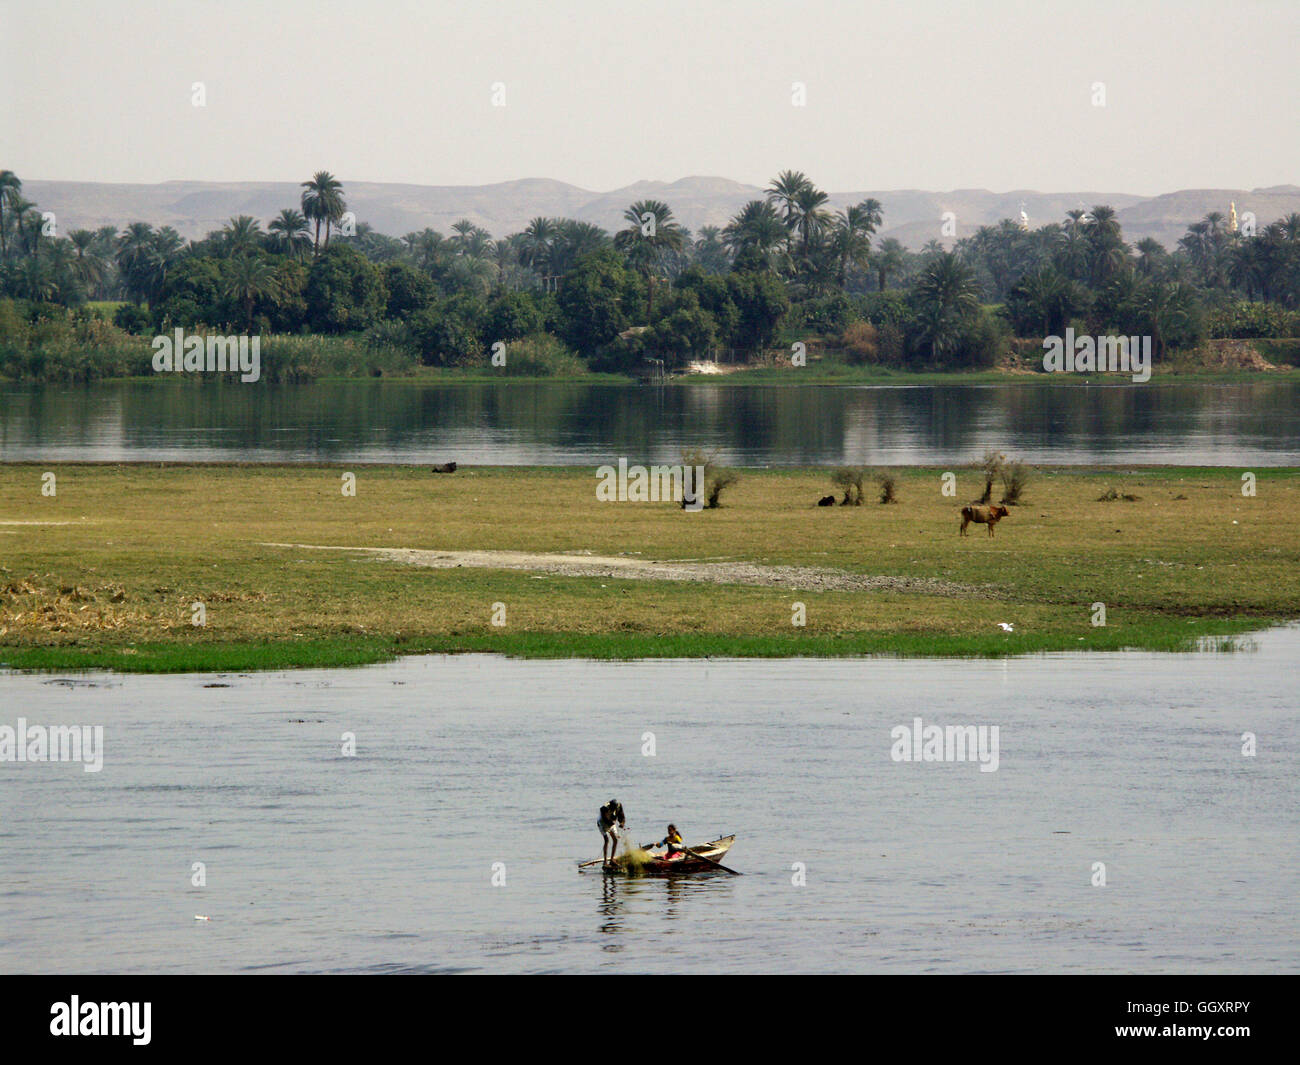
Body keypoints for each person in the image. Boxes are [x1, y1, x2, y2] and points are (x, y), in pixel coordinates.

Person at [598, 799, 626, 865]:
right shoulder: (604, 808)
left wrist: (622, 823)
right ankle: (605, 861)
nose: (613, 809)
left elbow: (622, 816)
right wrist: (611, 822)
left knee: (615, 840)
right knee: (606, 840)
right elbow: (605, 819)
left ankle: (612, 859)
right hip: (602, 823)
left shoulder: (619, 806)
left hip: (611, 823)